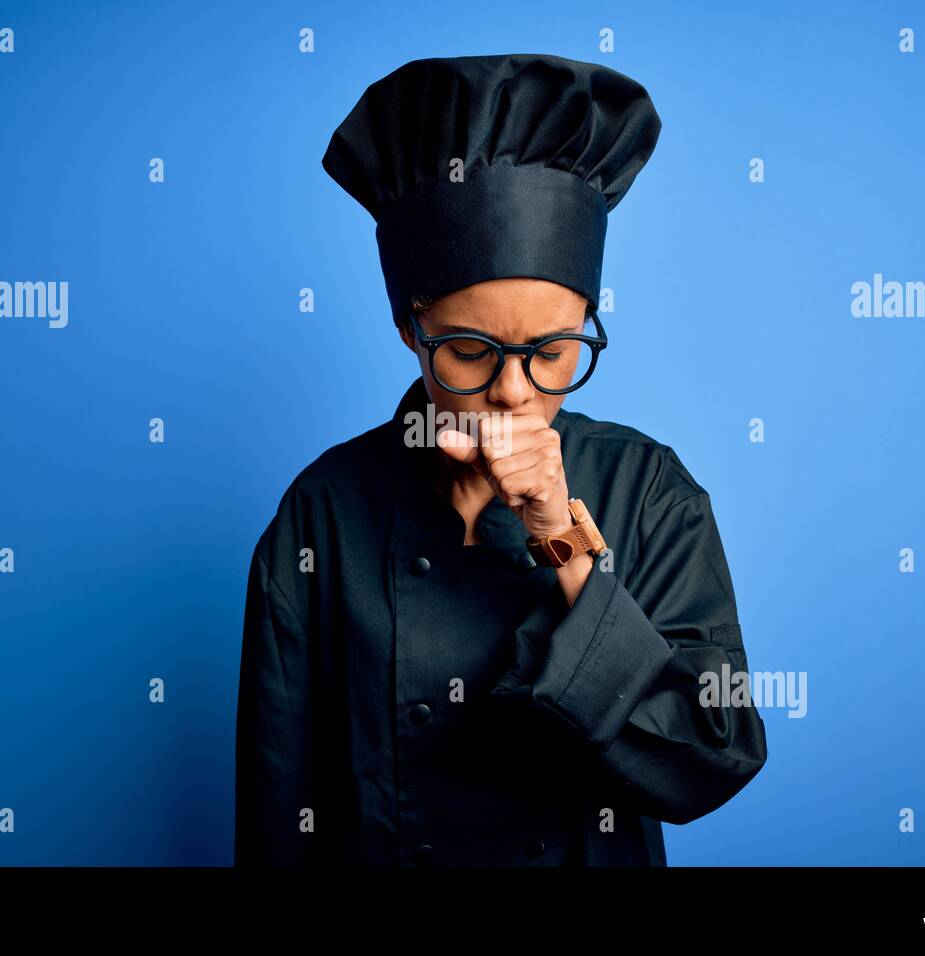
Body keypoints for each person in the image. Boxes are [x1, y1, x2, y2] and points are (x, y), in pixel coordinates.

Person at [235, 53, 767, 867]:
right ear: (412, 330)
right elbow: (280, 807)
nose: (515, 393)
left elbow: (713, 755)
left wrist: (563, 540)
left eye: (553, 351)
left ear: (587, 321)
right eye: (472, 350)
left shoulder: (651, 490)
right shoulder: (325, 511)